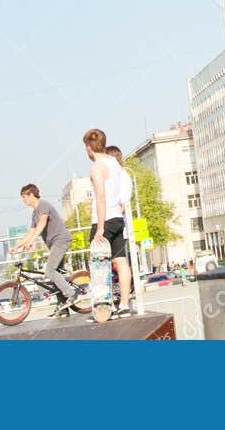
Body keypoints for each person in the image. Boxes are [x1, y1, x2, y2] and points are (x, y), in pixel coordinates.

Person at [12, 183, 83, 316]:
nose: (23, 200)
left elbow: (42, 222)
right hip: (53, 244)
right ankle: (63, 307)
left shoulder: (43, 205)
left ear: (31, 195)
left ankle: (71, 294)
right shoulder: (34, 213)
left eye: (24, 197)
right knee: (56, 273)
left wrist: (32, 241)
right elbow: (31, 231)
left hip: (60, 240)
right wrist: (17, 246)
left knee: (50, 270)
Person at [85, 132, 133, 316]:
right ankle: (125, 305)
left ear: (89, 148)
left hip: (104, 219)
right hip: (118, 219)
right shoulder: (114, 162)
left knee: (98, 265)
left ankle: (106, 307)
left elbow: (101, 196)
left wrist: (100, 228)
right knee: (121, 262)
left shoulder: (97, 167)